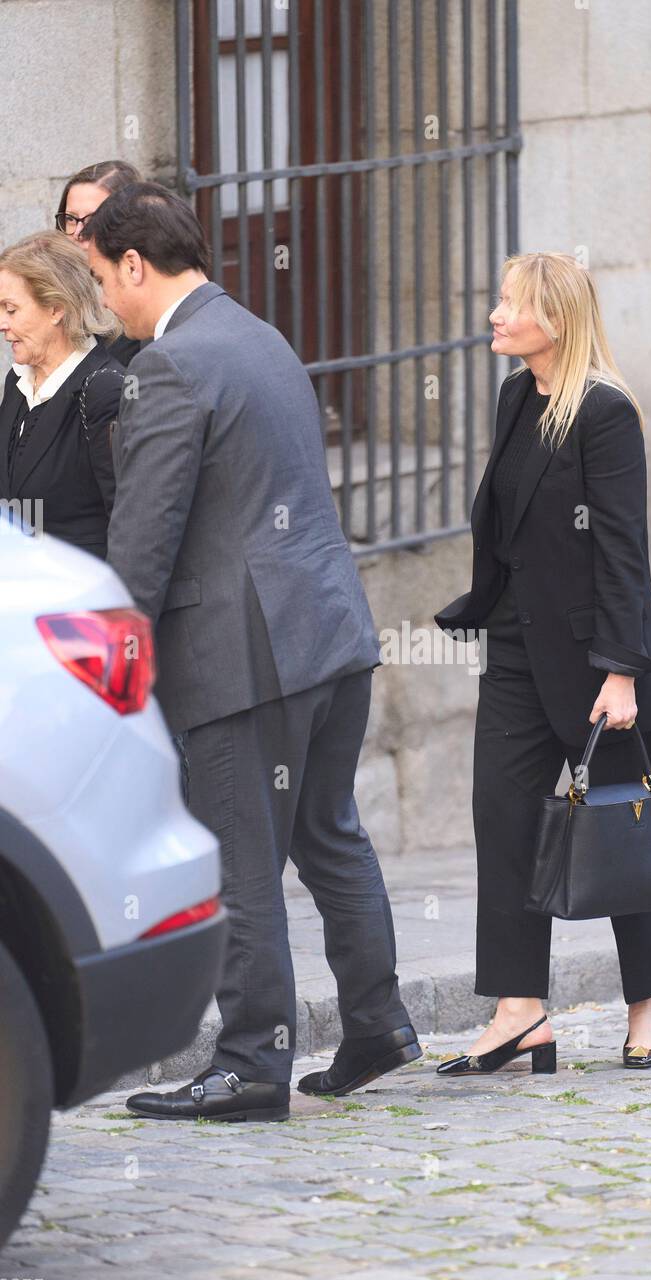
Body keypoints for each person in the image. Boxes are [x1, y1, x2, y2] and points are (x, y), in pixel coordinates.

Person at [83, 183, 421, 1122]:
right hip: (327, 635)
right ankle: (378, 1024)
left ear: (137, 265)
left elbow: (142, 544)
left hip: (244, 658)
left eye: (106, 278)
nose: (106, 300)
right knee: (329, 837)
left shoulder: (171, 366)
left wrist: (105, 664)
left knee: (242, 860)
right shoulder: (257, 334)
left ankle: (251, 1064)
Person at [434, 252, 651, 1077]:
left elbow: (622, 549)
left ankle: (646, 1007)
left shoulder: (604, 413)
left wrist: (623, 671)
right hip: (515, 652)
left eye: (511, 304)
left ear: (556, 321)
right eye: (499, 300)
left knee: (621, 831)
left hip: (598, 661)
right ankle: (519, 1010)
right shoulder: (515, 397)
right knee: (501, 818)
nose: (496, 315)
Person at [0, 231, 124, 557]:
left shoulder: (104, 389)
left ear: (56, 309)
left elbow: (127, 522)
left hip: (79, 599)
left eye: (11, 310)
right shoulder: (17, 383)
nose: (2, 323)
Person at [55, 160, 142, 367]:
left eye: (93, 219)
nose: (78, 233)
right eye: (70, 218)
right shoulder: (56, 289)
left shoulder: (142, 306)